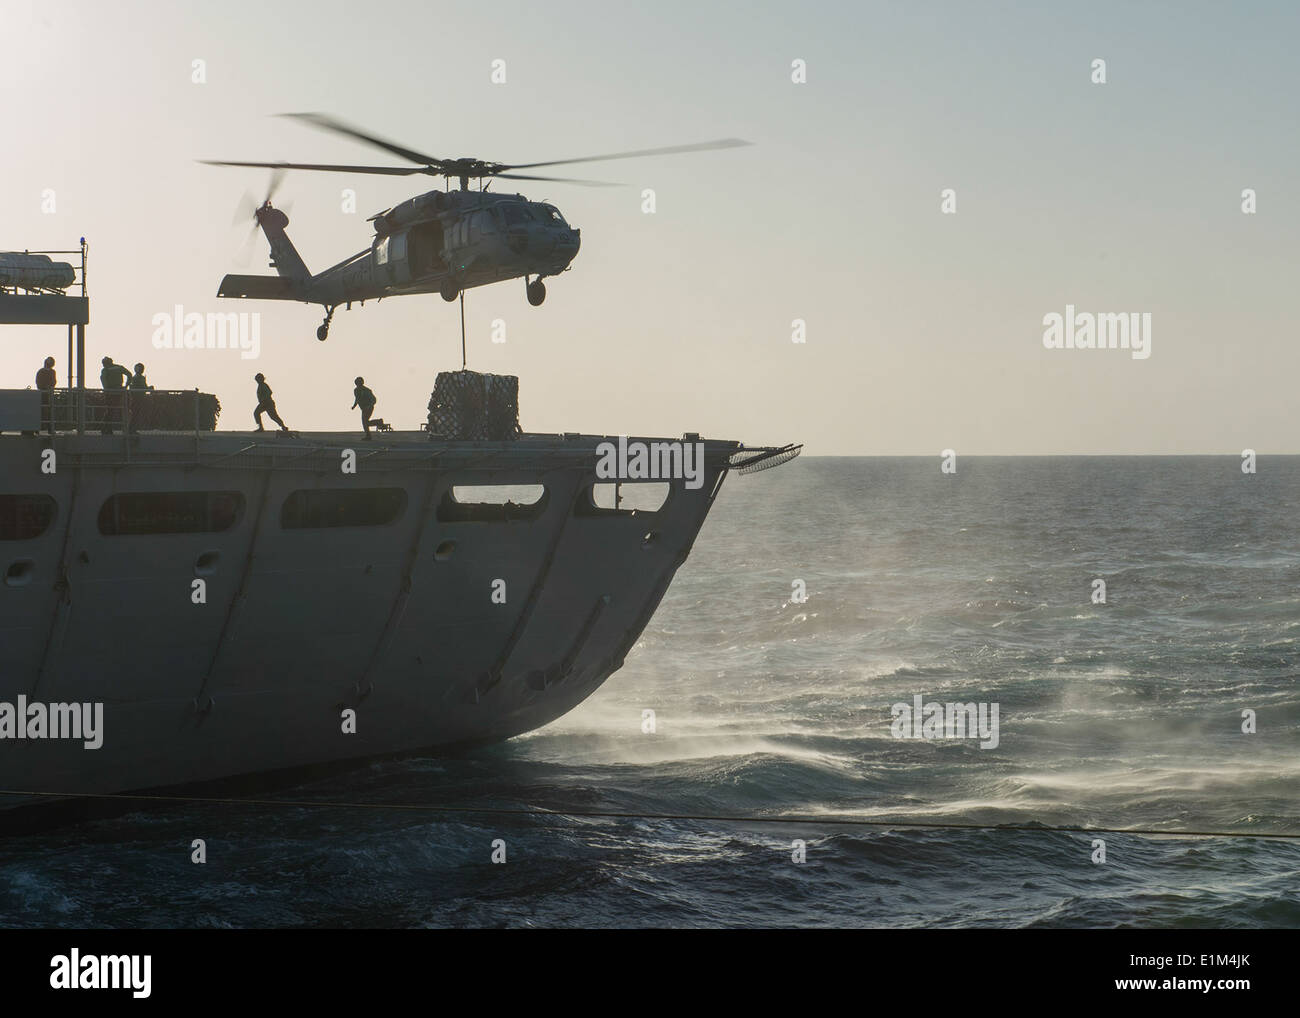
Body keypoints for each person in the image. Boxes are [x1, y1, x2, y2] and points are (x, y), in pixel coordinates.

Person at [99, 356, 131, 434]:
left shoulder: (105, 370)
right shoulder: (119, 368)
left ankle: (106, 428)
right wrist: (126, 386)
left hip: (110, 393)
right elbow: (129, 375)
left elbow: (104, 381)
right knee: (122, 410)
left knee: (110, 410)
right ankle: (125, 428)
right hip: (120, 392)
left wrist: (106, 390)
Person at [35, 357, 56, 434]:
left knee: (48, 411)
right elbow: (39, 382)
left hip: (48, 393)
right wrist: (45, 387)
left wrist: (50, 387)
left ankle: (49, 428)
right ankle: (38, 428)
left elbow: (53, 382)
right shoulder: (41, 371)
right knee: (43, 411)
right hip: (43, 393)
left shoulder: (52, 372)